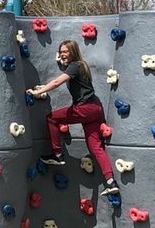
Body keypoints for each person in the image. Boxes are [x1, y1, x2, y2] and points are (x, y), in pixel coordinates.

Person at [26, 39, 119, 196]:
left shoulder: (75, 66)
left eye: (66, 51)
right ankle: (111, 182)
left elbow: (57, 82)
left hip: (85, 109)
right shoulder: (81, 66)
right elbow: (66, 71)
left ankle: (57, 155)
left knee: (51, 118)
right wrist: (62, 62)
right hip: (96, 109)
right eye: (61, 51)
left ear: (73, 52)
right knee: (95, 148)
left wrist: (37, 92)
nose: (63, 54)